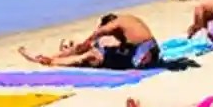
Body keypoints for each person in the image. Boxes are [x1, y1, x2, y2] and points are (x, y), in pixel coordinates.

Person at [19, 13, 161, 70]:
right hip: (151, 48)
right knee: (88, 52)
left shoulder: (115, 25)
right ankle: (50, 58)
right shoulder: (128, 21)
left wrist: (85, 44)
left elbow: (96, 35)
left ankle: (50, 60)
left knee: (88, 54)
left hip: (143, 52)